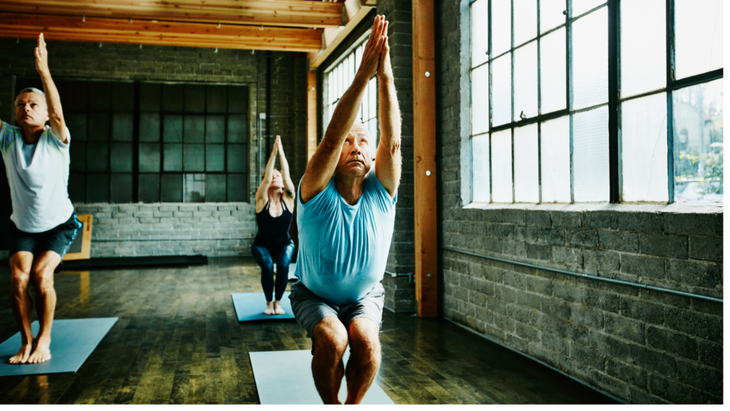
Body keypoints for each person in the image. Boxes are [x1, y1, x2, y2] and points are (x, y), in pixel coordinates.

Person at [289, 15, 401, 404]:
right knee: (334, 339)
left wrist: (383, 74)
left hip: (364, 296)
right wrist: (362, 76)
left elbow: (393, 141)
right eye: (348, 142)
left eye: (363, 141)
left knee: (366, 343)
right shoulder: (315, 186)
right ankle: (330, 405)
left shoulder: (380, 191)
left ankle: (351, 406)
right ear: (335, 156)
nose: (355, 145)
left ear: (370, 156)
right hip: (312, 293)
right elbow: (333, 135)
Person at [0, 33, 82, 364]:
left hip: (58, 224)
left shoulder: (56, 140)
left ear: (47, 114)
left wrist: (44, 72)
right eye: (20, 104)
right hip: (23, 226)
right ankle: (26, 340)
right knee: (18, 279)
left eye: (34, 104)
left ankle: (45, 339)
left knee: (40, 276)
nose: (26, 108)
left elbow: (60, 115)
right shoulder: (7, 139)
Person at [252, 135, 296, 315]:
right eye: (273, 176)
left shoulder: (289, 198)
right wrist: (273, 155)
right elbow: (265, 180)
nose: (276, 178)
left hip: (284, 243)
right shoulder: (261, 199)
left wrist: (282, 153)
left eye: (278, 176)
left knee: (284, 266)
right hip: (262, 245)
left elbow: (287, 178)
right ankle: (269, 303)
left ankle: (278, 302)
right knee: (268, 267)